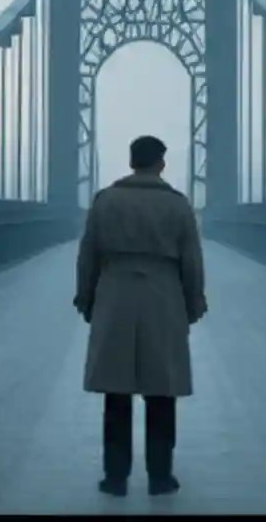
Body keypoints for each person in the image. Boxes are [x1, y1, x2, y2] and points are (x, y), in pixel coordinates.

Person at [73, 135, 208, 497]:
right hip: (163, 296)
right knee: (162, 392)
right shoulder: (178, 206)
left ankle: (115, 478)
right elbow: (192, 260)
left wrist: (86, 297)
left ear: (132, 161)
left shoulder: (105, 201)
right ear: (161, 163)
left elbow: (88, 255)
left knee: (116, 393)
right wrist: (193, 302)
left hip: (114, 294)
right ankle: (160, 477)